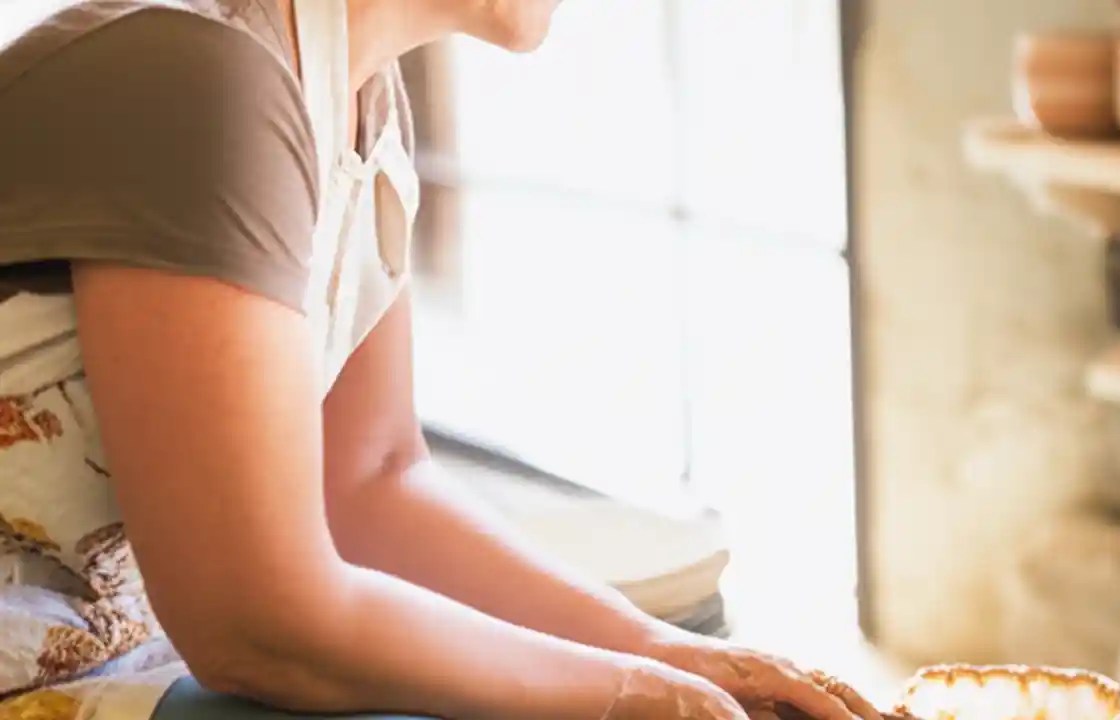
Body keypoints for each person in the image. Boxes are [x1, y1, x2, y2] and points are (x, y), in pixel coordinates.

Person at [0, 2, 880, 719]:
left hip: (115, 646)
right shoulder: (194, 72)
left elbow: (370, 482)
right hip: (40, 669)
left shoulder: (355, 92)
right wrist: (627, 694)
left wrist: (655, 651)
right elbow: (250, 620)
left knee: (679, 636)